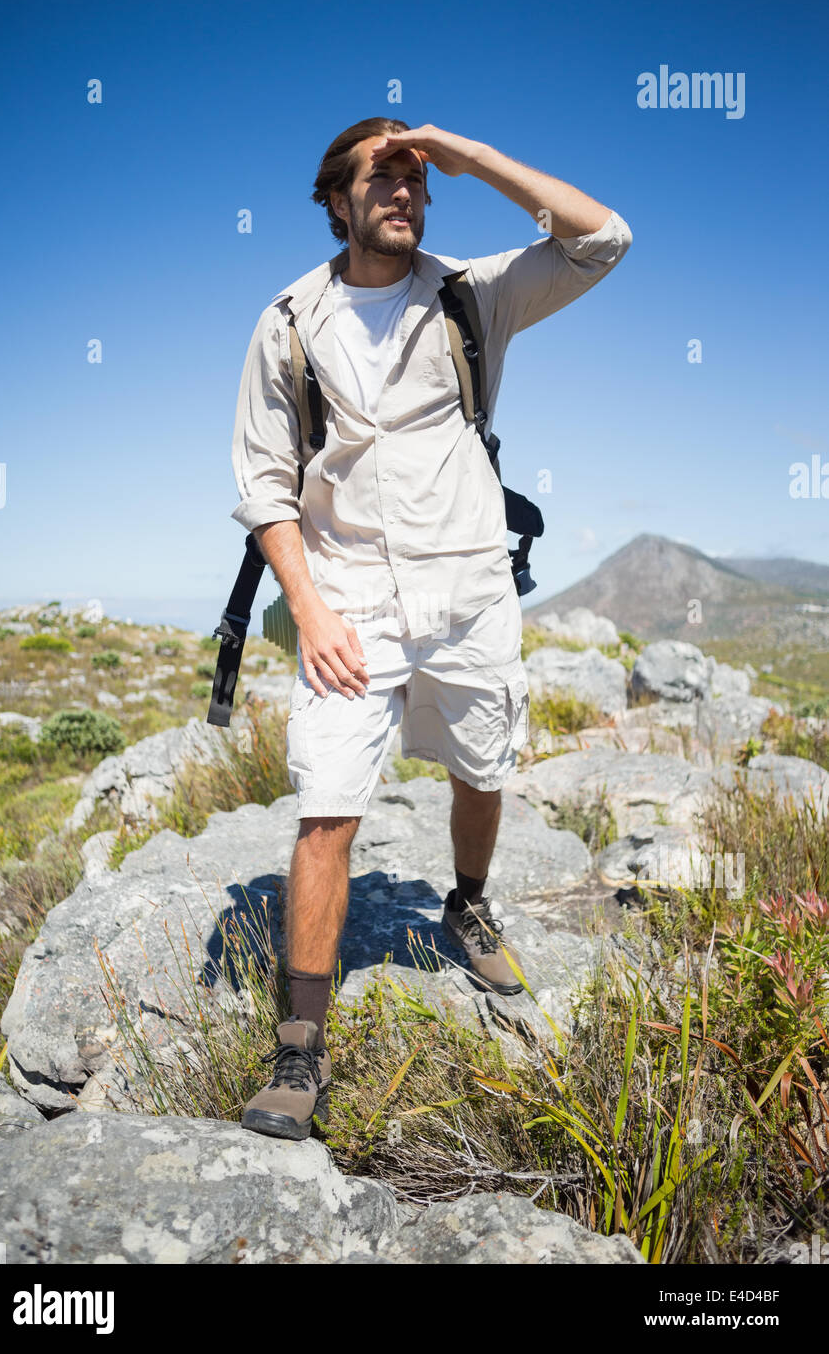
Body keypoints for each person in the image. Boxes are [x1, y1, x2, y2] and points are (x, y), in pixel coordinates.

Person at [231, 119, 632, 1140]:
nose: (405, 191)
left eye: (417, 179)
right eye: (383, 175)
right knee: (325, 807)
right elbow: (265, 486)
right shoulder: (286, 321)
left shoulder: (470, 294)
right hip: (347, 602)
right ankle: (298, 1048)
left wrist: (473, 156)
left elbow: (601, 237)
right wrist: (309, 612)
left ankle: (465, 901)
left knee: (481, 766)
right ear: (335, 197)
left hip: (467, 590)